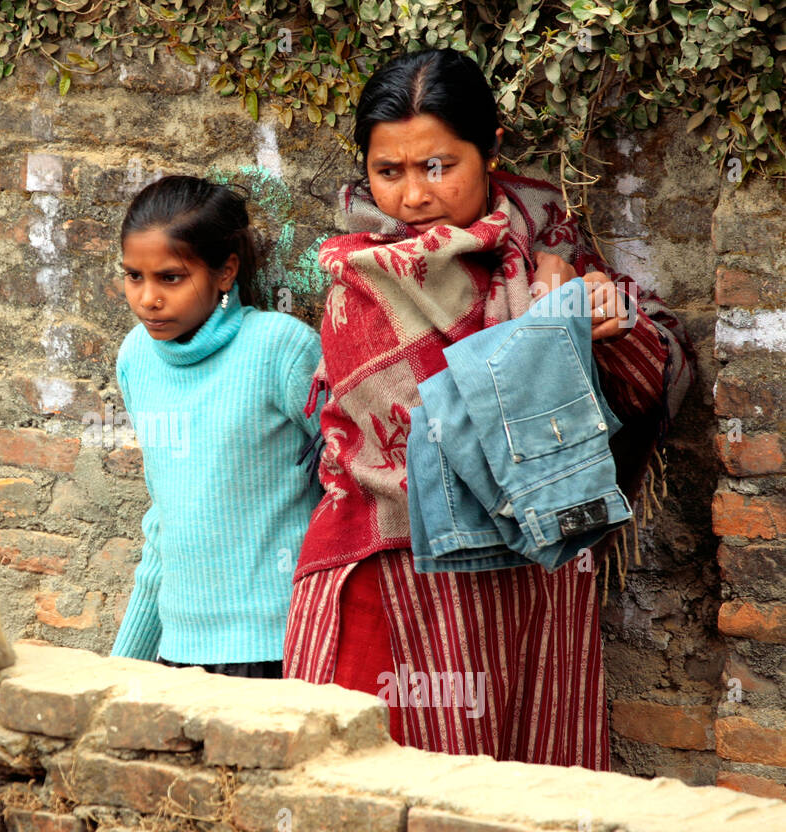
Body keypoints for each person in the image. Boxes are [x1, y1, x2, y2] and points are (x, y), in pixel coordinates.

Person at [284, 49, 693, 768]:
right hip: (396, 565)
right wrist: (544, 331)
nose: (412, 197)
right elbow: (420, 431)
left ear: (492, 147)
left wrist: (598, 312)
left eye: (438, 166)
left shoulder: (549, 245)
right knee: (366, 790)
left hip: (538, 567)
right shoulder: (359, 275)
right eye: (390, 171)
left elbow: (642, 378)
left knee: (521, 800)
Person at [108, 175, 322, 678]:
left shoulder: (281, 350)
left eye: (170, 277)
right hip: (177, 649)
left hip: (278, 647)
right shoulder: (136, 357)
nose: (147, 299)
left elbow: (352, 478)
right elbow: (167, 515)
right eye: (133, 276)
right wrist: (125, 665)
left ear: (226, 272)